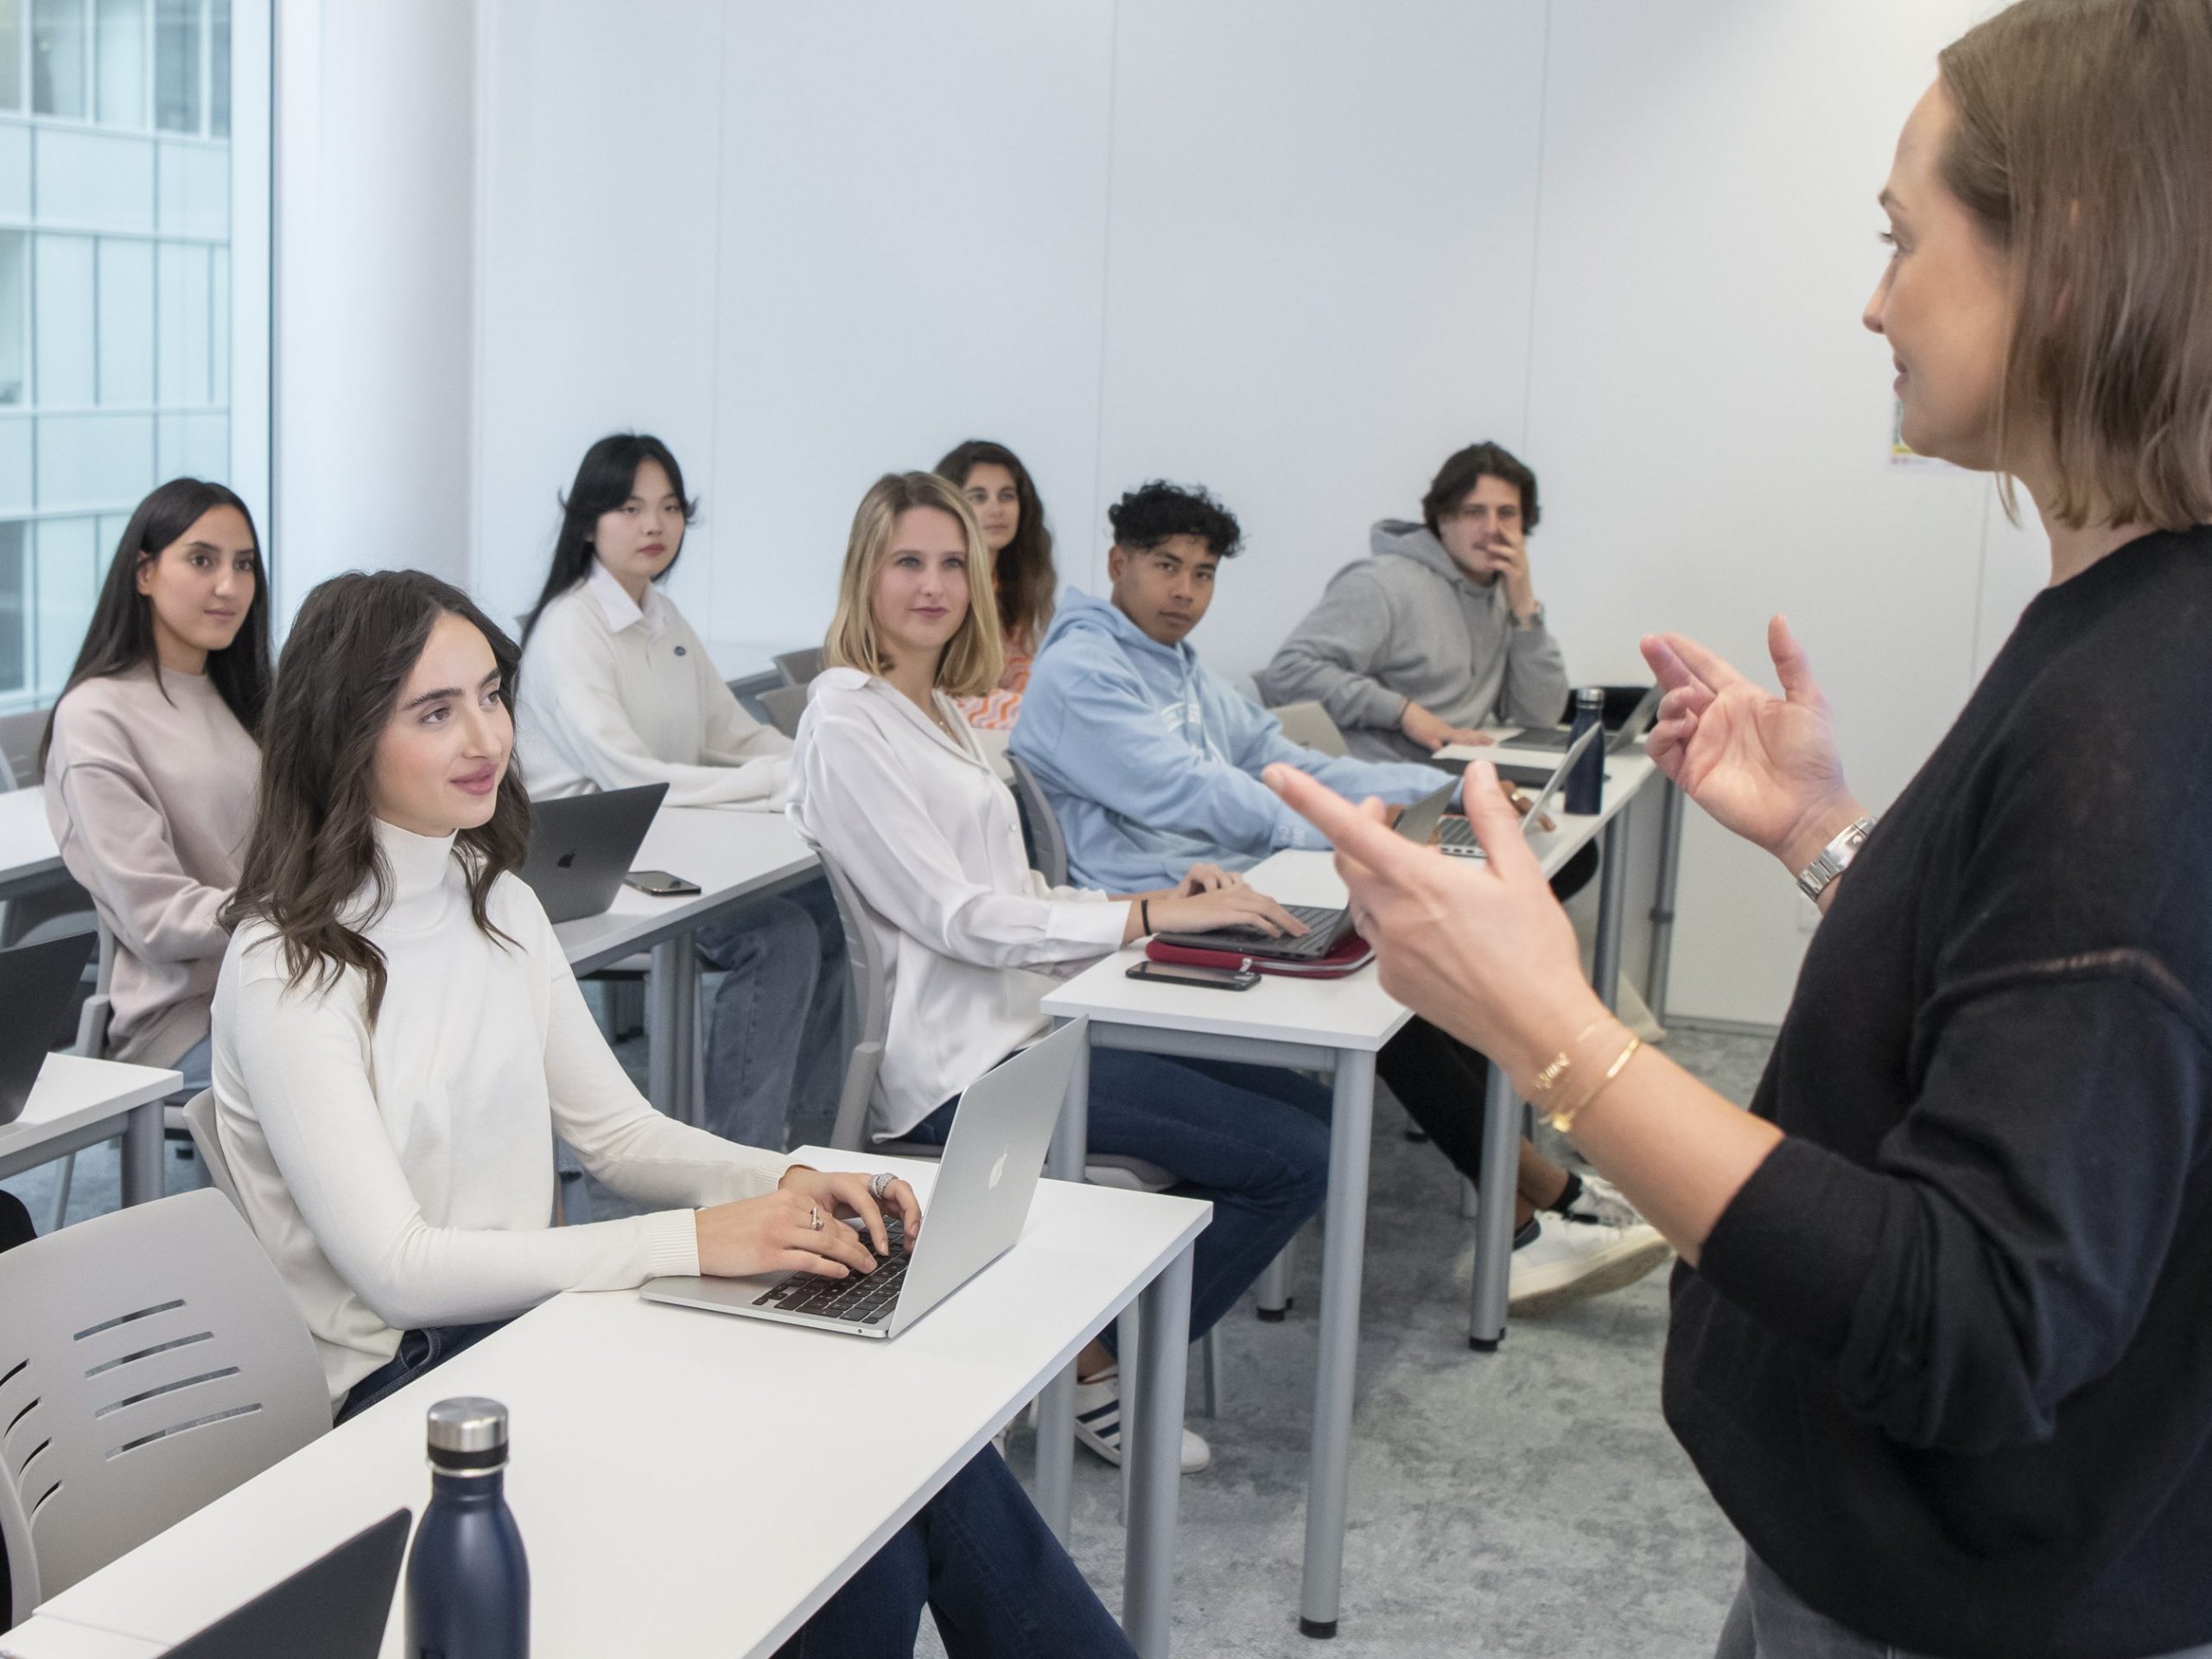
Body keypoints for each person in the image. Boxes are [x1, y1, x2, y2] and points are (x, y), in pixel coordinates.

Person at [1264, 3, 2212, 1652]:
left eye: (1903, 241)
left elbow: (1983, 1312)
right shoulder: (2129, 641)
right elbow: (2042, 1043)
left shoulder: (2144, 695)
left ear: (2064, 255)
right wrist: (1838, 845)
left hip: (1968, 1595)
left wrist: (1549, 1031)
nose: (1873, 301)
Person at [209, 569, 1137, 1659]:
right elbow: (399, 1270)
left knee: (904, 1460)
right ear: (342, 735)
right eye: (435, 710)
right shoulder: (287, 967)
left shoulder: (492, 898)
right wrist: (692, 1240)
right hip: (409, 1389)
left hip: (535, 1328)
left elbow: (618, 1135)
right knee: (866, 1492)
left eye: (492, 694)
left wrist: (776, 1178)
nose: (486, 735)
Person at [789, 471, 1331, 1471]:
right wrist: (1145, 916)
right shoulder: (847, 717)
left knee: (1315, 1116)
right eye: (908, 561)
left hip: (1033, 1030)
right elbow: (958, 918)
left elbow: (1023, 886)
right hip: (961, 1072)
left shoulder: (939, 710)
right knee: (1294, 1160)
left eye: (954, 563)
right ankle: (1088, 1367)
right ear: (864, 573)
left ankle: (1080, 1354)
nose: (934, 584)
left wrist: (1175, 904)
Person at [1014, 481, 1667, 1309]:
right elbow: (1202, 794)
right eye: (1166, 566)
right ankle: (1530, 1206)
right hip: (1151, 922)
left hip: (1229, 887)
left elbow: (1280, 756)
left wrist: (1447, 785)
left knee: (1416, 955)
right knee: (1391, 967)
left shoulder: (1175, 665)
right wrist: (1369, 833)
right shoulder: (1081, 674)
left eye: (1204, 574)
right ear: (1117, 564)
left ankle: (1527, 1204)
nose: (1186, 591)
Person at [515, 433, 836, 1151]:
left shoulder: (662, 615)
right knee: (781, 937)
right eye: (630, 508)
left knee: (835, 906)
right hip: (594, 869)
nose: (654, 526)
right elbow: (631, 774)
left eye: (668, 508)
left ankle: (812, 1132)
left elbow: (729, 730)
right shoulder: (571, 628)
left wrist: (810, 760)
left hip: (679, 840)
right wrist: (773, 780)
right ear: (589, 520)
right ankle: (741, 1158)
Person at [40, 478, 270, 1091]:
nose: (229, 586)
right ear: (144, 572)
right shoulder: (97, 715)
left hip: (288, 979)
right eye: (202, 560)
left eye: (243, 565)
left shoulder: (247, 698)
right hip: (186, 1018)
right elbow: (158, 919)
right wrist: (292, 908)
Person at [1258, 442, 1571, 763]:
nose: (1492, 529)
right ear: (1443, 520)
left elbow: (1540, 717)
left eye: (1506, 514)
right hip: (1374, 780)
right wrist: (1403, 712)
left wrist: (1525, 610)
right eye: (1473, 512)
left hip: (1451, 771)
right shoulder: (1382, 583)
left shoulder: (1503, 595)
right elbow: (1288, 670)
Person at [936, 439, 1056, 730]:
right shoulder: (938, 587)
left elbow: (1018, 672)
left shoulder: (1008, 584)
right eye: (978, 497)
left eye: (1007, 496)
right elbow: (942, 697)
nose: (996, 509)